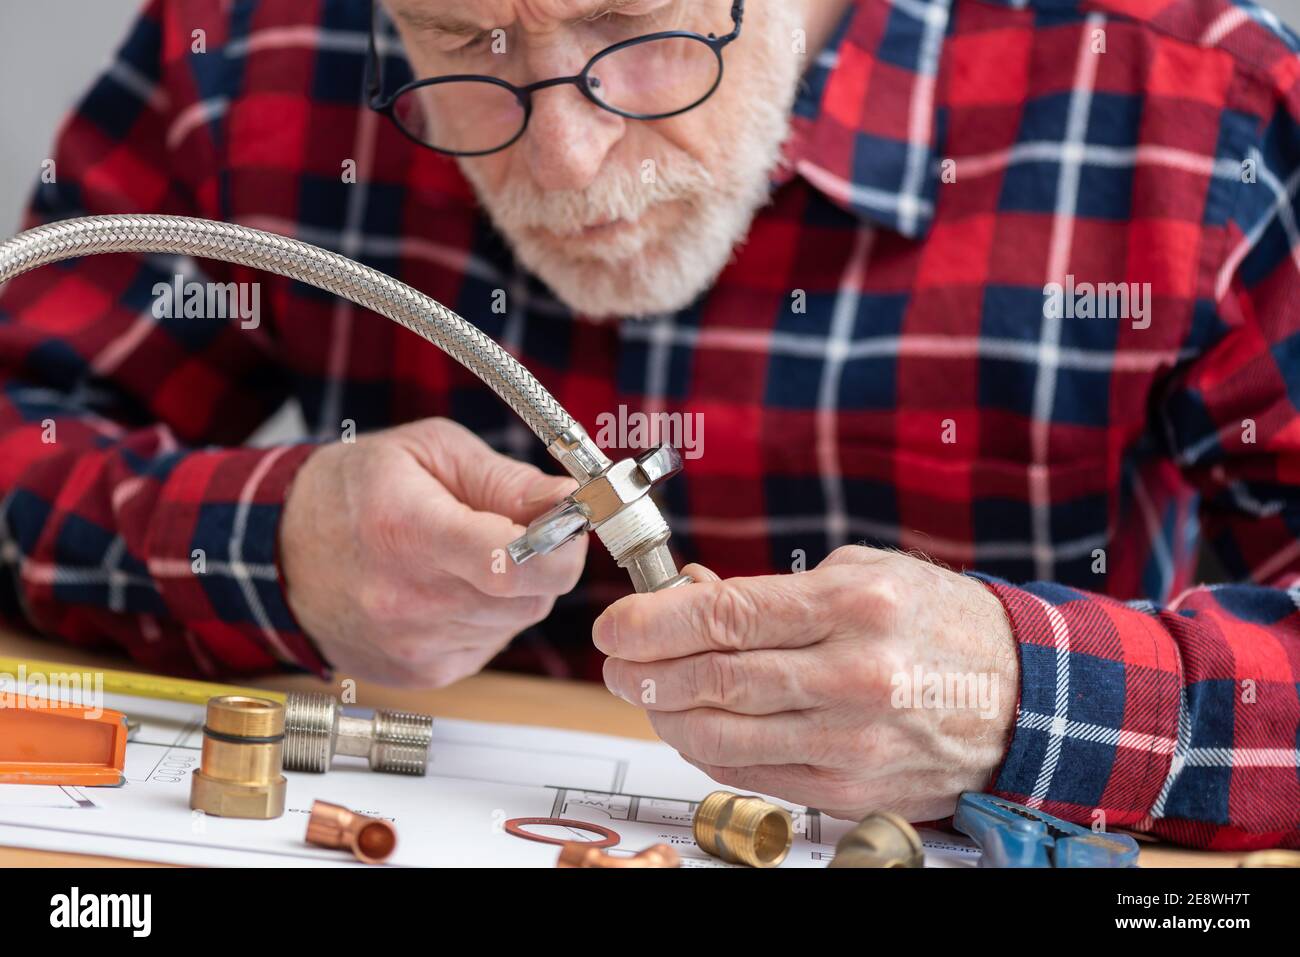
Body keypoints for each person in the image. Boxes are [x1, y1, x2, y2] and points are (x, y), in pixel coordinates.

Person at [0, 0, 1296, 848]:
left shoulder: (1193, 113)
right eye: (462, 40)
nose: (564, 161)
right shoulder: (249, 45)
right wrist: (267, 549)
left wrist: (1018, 698)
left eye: (633, 26)